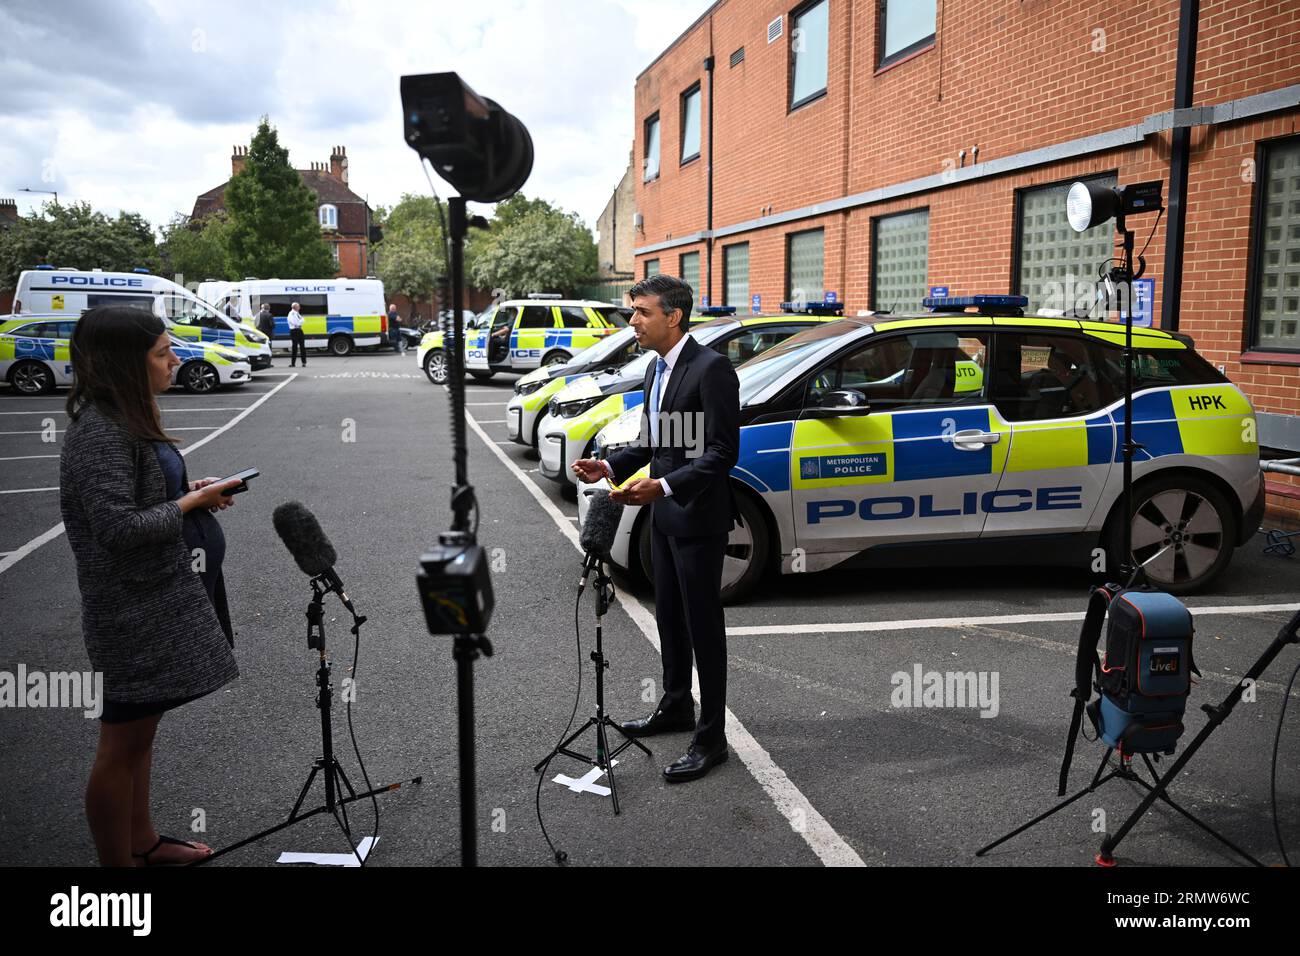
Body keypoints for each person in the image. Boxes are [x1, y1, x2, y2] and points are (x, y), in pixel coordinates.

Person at [59, 307, 242, 866]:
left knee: (140, 735)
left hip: (159, 601)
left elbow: (141, 499)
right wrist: (190, 503)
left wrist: (189, 491)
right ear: (124, 364)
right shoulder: (101, 430)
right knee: (120, 743)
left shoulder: (126, 417)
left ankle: (144, 843)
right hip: (132, 613)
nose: (175, 359)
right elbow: (117, 528)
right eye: (162, 353)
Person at [572, 274, 740, 783]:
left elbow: (722, 453)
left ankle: (711, 738)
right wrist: (608, 466)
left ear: (674, 315)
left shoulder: (711, 369)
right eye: (633, 311)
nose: (633, 321)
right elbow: (655, 443)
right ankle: (676, 706)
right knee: (669, 617)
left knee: (703, 627)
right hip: (664, 518)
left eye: (642, 311)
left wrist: (664, 487)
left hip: (698, 518)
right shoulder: (655, 368)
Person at [287, 301, 306, 367]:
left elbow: (303, 320)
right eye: (298, 306)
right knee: (294, 347)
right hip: (294, 331)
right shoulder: (291, 314)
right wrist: (300, 322)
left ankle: (304, 362)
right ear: (295, 307)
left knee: (302, 347)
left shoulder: (297, 313)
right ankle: (293, 363)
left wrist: (299, 322)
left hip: (299, 330)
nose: (299, 307)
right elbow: (295, 323)